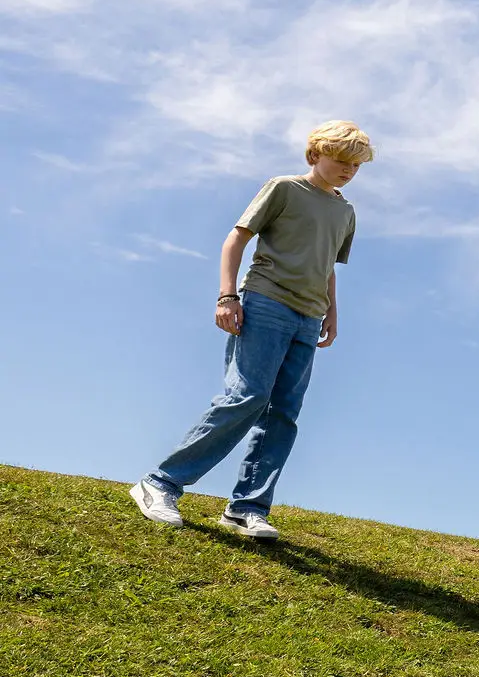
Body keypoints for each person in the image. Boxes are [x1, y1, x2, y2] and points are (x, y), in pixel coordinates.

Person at [129, 121, 375, 540]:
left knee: (284, 414)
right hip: (266, 303)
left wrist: (332, 313)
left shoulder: (346, 212)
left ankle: (246, 508)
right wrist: (227, 297)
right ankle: (160, 483)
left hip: (309, 316)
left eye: (356, 164)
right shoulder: (284, 188)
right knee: (247, 396)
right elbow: (236, 239)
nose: (349, 170)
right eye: (341, 160)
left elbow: (328, 266)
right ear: (315, 154)